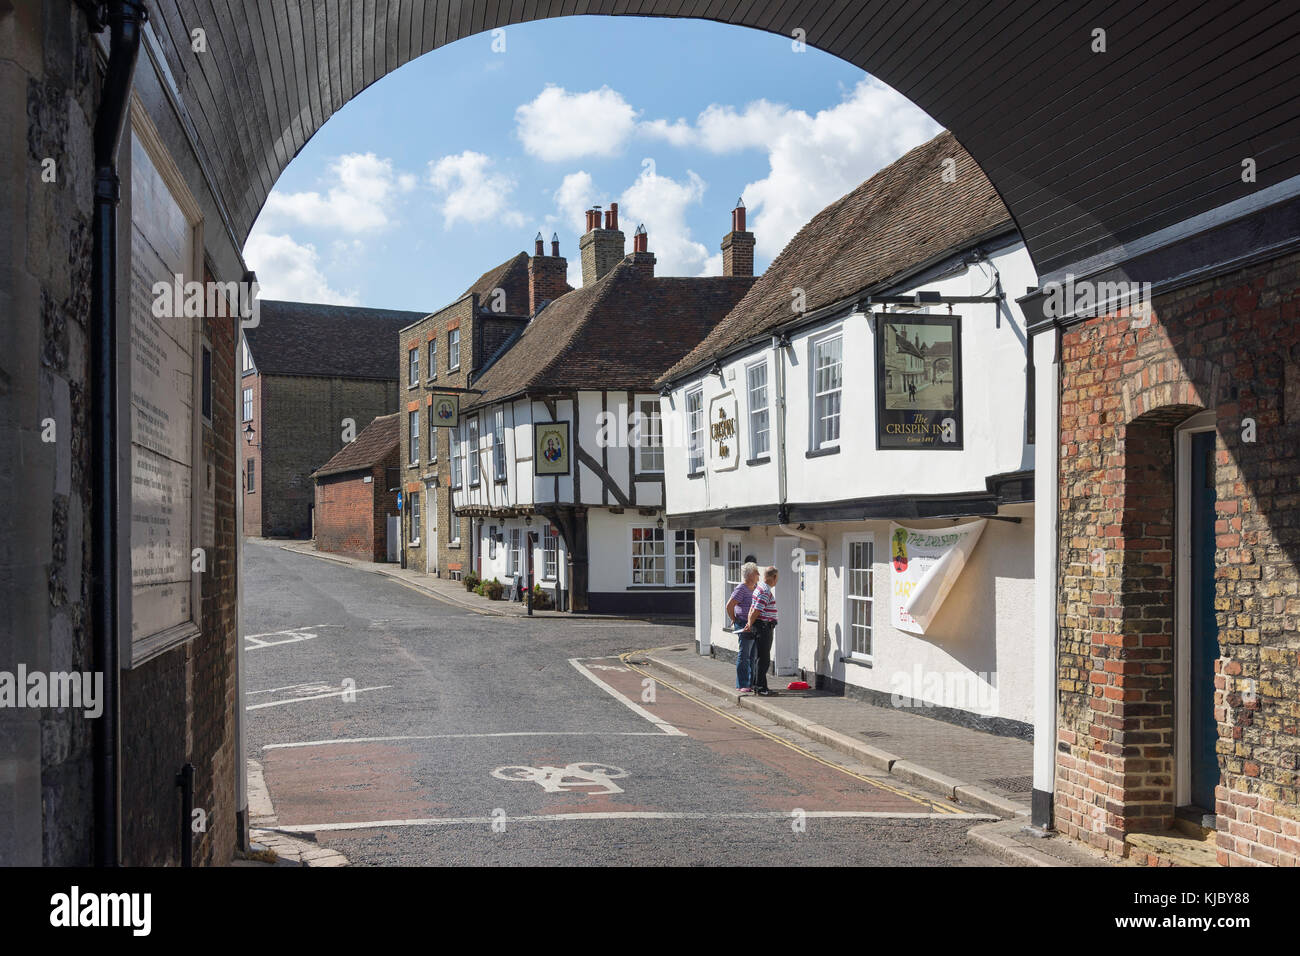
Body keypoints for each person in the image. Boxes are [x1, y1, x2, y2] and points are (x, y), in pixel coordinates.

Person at [744, 566, 780, 696]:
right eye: (777, 578)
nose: (777, 581)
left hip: (759, 626)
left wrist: (749, 623)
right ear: (774, 577)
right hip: (764, 627)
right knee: (763, 659)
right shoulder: (765, 591)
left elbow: (752, 609)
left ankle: (756, 685)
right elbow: (757, 610)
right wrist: (750, 623)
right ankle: (761, 688)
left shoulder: (758, 588)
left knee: (759, 657)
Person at [726, 562, 760, 694]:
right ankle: (742, 684)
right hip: (743, 624)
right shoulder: (741, 588)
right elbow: (729, 606)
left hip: (754, 625)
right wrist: (734, 619)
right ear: (750, 574)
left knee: (753, 655)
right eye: (756, 572)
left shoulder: (756, 588)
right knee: (744, 654)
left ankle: (750, 684)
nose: (758, 574)